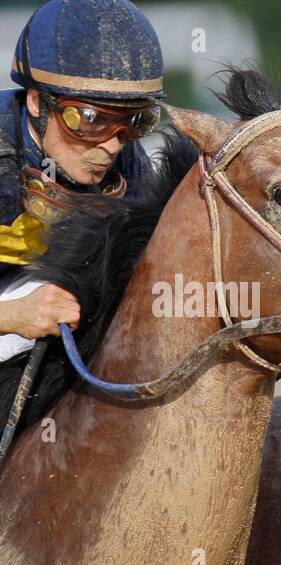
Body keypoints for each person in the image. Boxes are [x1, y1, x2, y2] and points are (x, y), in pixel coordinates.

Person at [0, 0, 165, 363]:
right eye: (89, 118)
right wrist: (12, 316)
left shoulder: (127, 160)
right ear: (35, 102)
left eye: (135, 122)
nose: (110, 145)